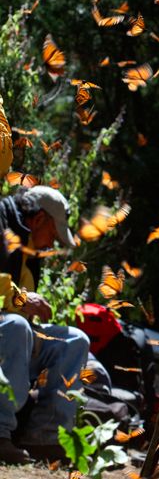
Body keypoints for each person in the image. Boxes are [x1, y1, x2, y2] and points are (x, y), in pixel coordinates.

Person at [0, 185, 92, 463]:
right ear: (39, 219)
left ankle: (45, 437)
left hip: (13, 333)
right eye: (53, 234)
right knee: (17, 325)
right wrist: (20, 299)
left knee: (75, 341)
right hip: (10, 329)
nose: (52, 244)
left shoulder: (31, 250)